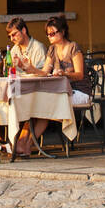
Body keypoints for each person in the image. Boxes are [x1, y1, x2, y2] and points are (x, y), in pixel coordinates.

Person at [19, 16, 89, 156]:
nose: (50, 36)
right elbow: (45, 72)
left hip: (79, 91)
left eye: (53, 33)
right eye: (48, 34)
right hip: (61, 91)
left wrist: (64, 74)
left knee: (46, 106)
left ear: (62, 32)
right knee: (37, 106)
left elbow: (80, 74)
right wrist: (31, 69)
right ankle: (22, 144)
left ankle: (28, 145)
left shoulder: (73, 47)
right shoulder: (52, 50)